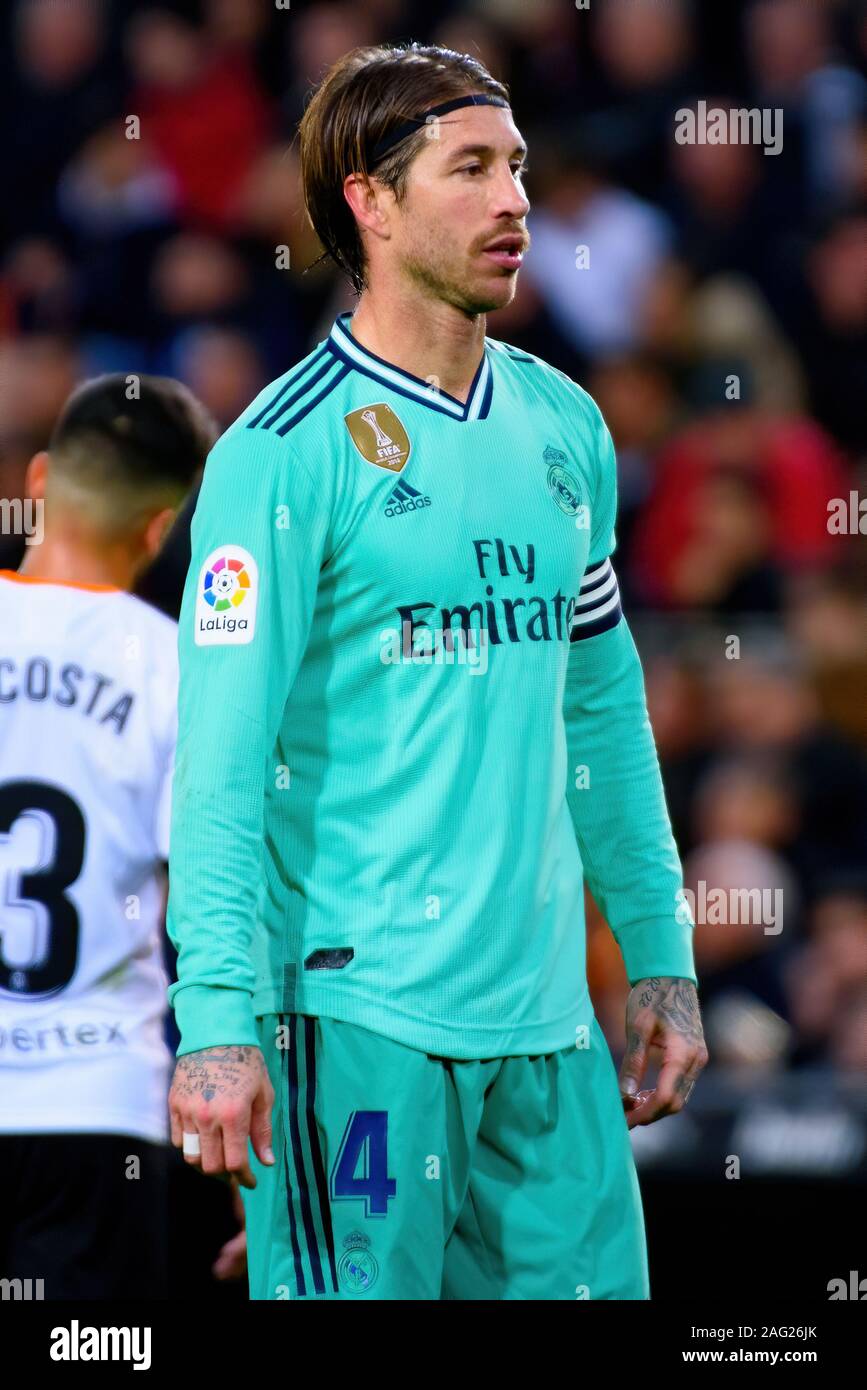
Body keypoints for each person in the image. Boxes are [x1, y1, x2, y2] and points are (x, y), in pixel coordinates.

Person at [167, 43, 707, 1302]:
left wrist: (660, 956)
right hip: (355, 1029)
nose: (515, 201)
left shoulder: (567, 426)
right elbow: (223, 768)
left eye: (517, 167)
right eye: (471, 170)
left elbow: (604, 716)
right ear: (370, 200)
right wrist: (217, 1023)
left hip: (550, 1032)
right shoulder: (277, 458)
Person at [0, 373, 214, 1298]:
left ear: (40, 480)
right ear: (161, 528)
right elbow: (213, 905)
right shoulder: (177, 670)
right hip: (95, 1109)